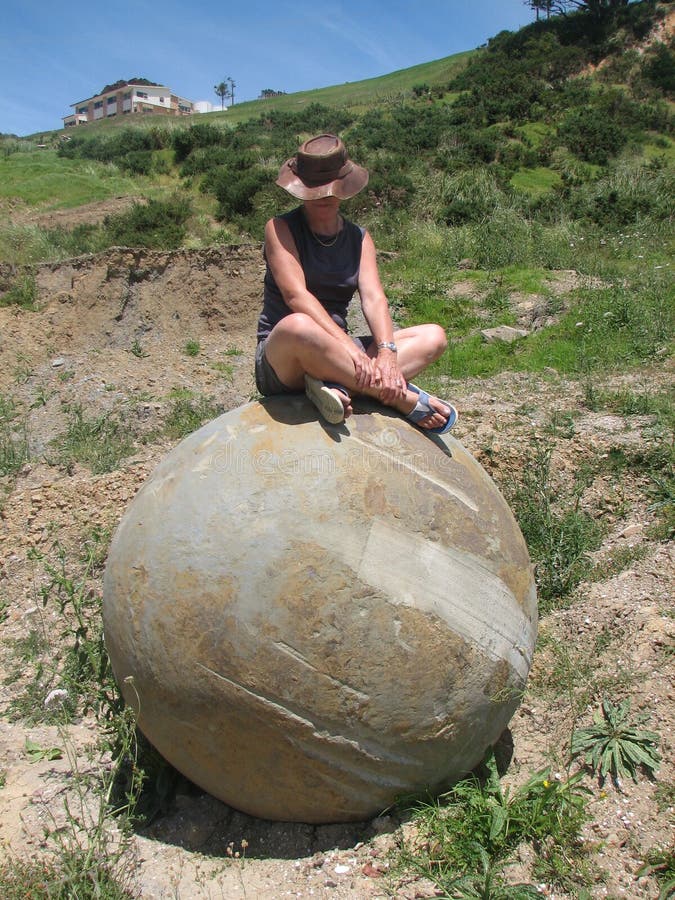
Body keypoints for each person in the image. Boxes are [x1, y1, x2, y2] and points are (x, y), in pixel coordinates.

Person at [255, 133, 457, 432]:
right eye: (316, 189)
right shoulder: (279, 228)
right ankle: (398, 397)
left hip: (339, 354)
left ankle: (336, 384)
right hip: (288, 354)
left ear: (344, 186)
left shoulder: (360, 238)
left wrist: (387, 353)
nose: (324, 196)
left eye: (330, 188)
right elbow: (296, 295)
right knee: (297, 325)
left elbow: (374, 299)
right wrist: (349, 350)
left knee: (433, 337)